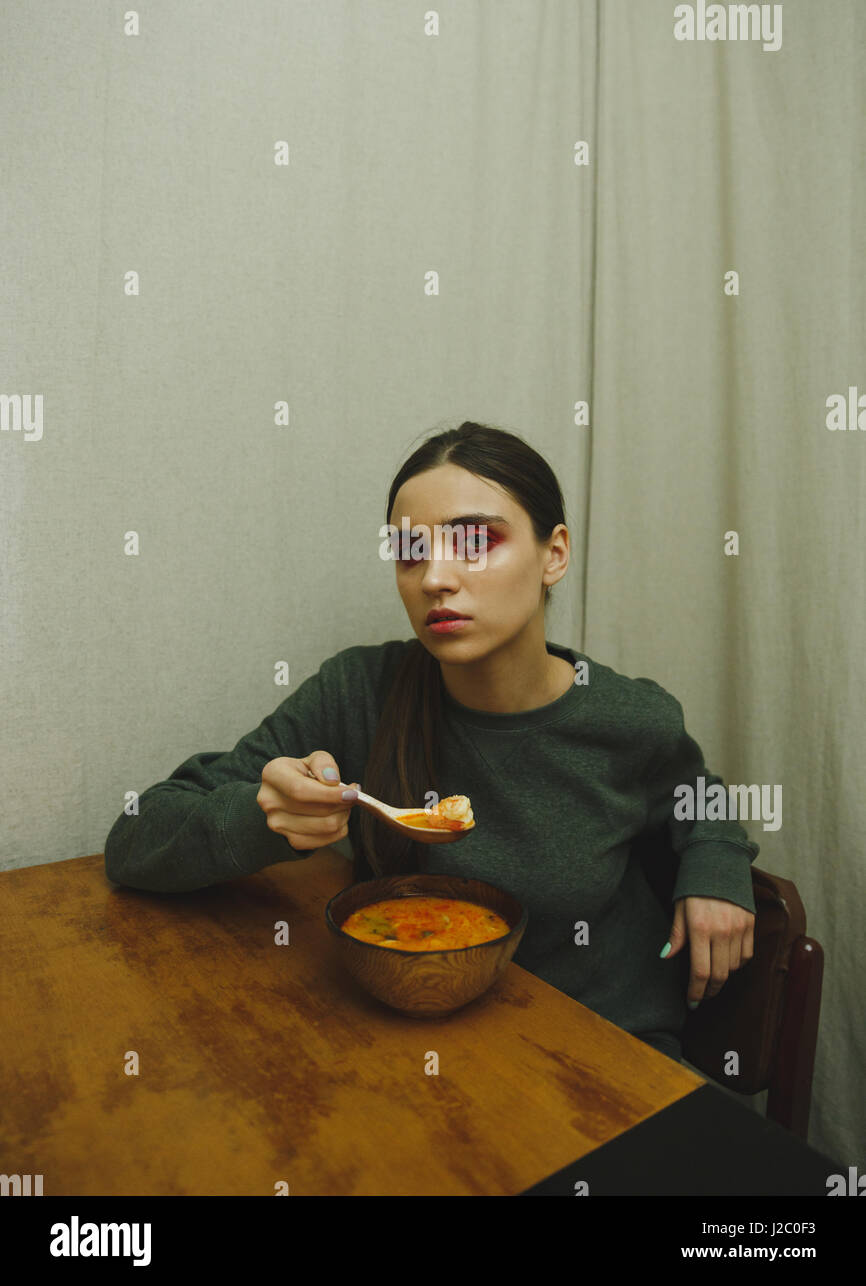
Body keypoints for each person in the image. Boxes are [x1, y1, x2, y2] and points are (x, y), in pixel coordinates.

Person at [104, 420, 758, 1063]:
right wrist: (260, 815)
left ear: (553, 554)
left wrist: (718, 872)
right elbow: (136, 840)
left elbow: (700, 803)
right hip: (415, 1050)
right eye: (410, 551)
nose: (434, 579)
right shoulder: (361, 690)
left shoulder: (628, 717)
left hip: (605, 1059)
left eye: (476, 542)